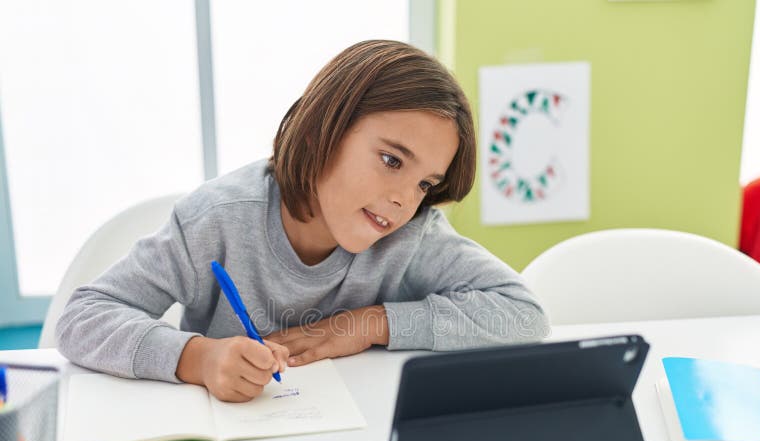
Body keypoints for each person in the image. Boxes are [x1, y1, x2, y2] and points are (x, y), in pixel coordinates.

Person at [56, 40, 550, 402]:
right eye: (393, 161)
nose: (404, 200)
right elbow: (83, 317)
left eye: (425, 184)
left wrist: (368, 324)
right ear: (320, 135)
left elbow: (522, 313)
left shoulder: (412, 233)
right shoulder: (217, 220)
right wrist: (198, 359)